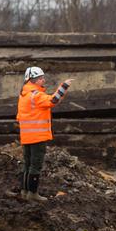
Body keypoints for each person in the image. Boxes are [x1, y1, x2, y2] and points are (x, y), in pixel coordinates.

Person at [15, 66, 73, 200]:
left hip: (26, 136)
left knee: (28, 164)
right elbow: (54, 100)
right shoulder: (36, 95)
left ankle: (25, 192)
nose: (43, 80)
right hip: (38, 137)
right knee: (36, 166)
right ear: (33, 80)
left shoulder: (24, 94)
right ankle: (33, 194)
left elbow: (19, 116)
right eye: (41, 78)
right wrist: (64, 86)